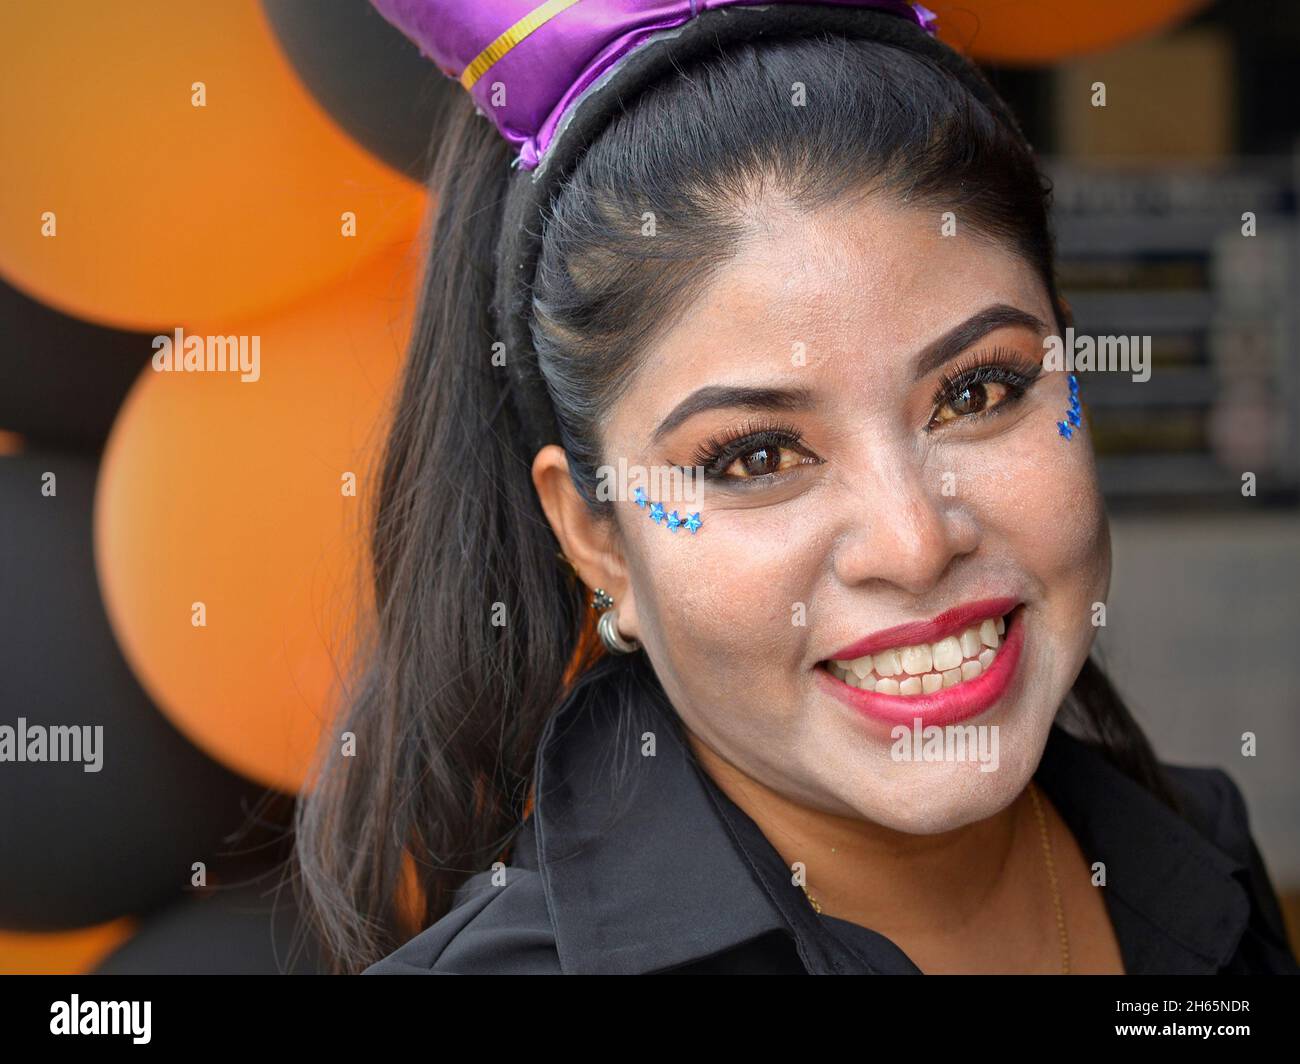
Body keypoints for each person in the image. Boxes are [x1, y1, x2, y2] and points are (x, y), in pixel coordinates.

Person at [292, 0, 1300, 975]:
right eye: (757, 458)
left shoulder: (1196, 855)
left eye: (979, 390)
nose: (912, 542)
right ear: (598, 538)